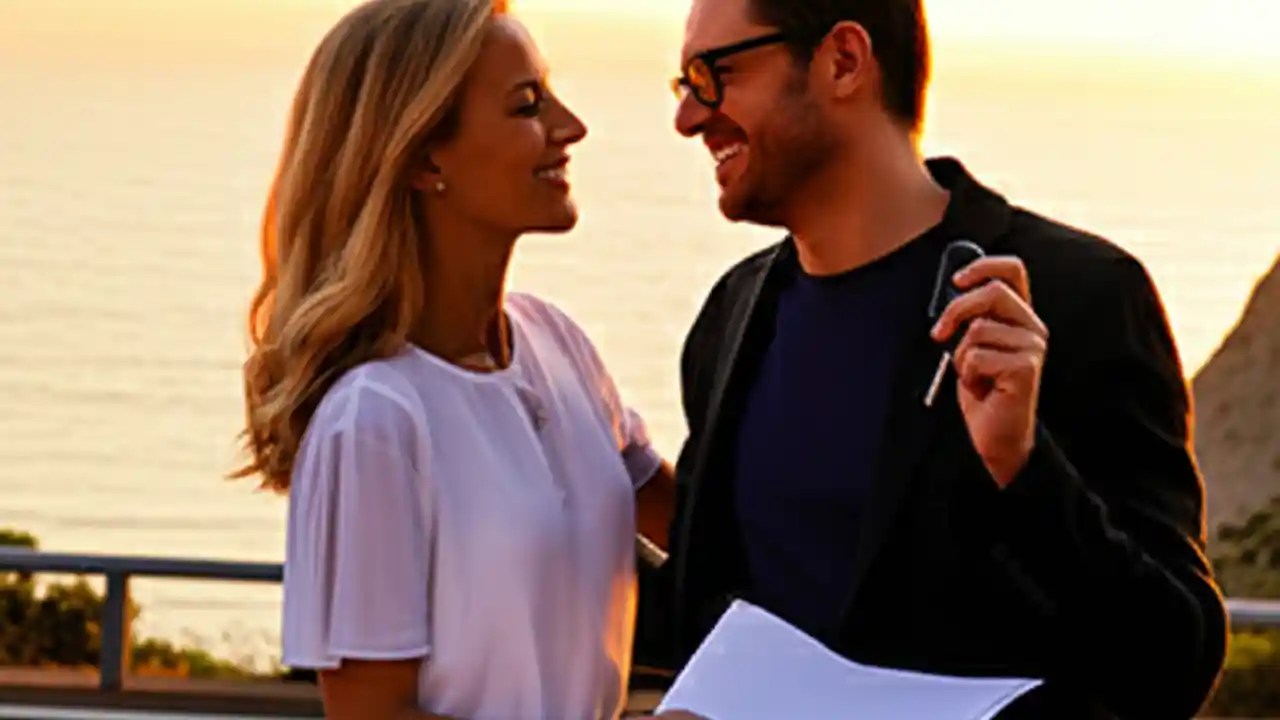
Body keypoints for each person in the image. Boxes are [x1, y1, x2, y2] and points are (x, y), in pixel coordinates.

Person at [636, 0, 1230, 717]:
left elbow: (1174, 660)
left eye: (713, 75)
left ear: (844, 61)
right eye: (684, 85)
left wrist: (1023, 467)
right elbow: (702, 609)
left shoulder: (1077, 296)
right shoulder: (729, 318)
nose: (690, 118)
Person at [232, 1, 679, 718]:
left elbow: (716, 536)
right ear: (420, 155)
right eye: (528, 104)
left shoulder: (557, 345)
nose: (570, 127)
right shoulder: (374, 420)